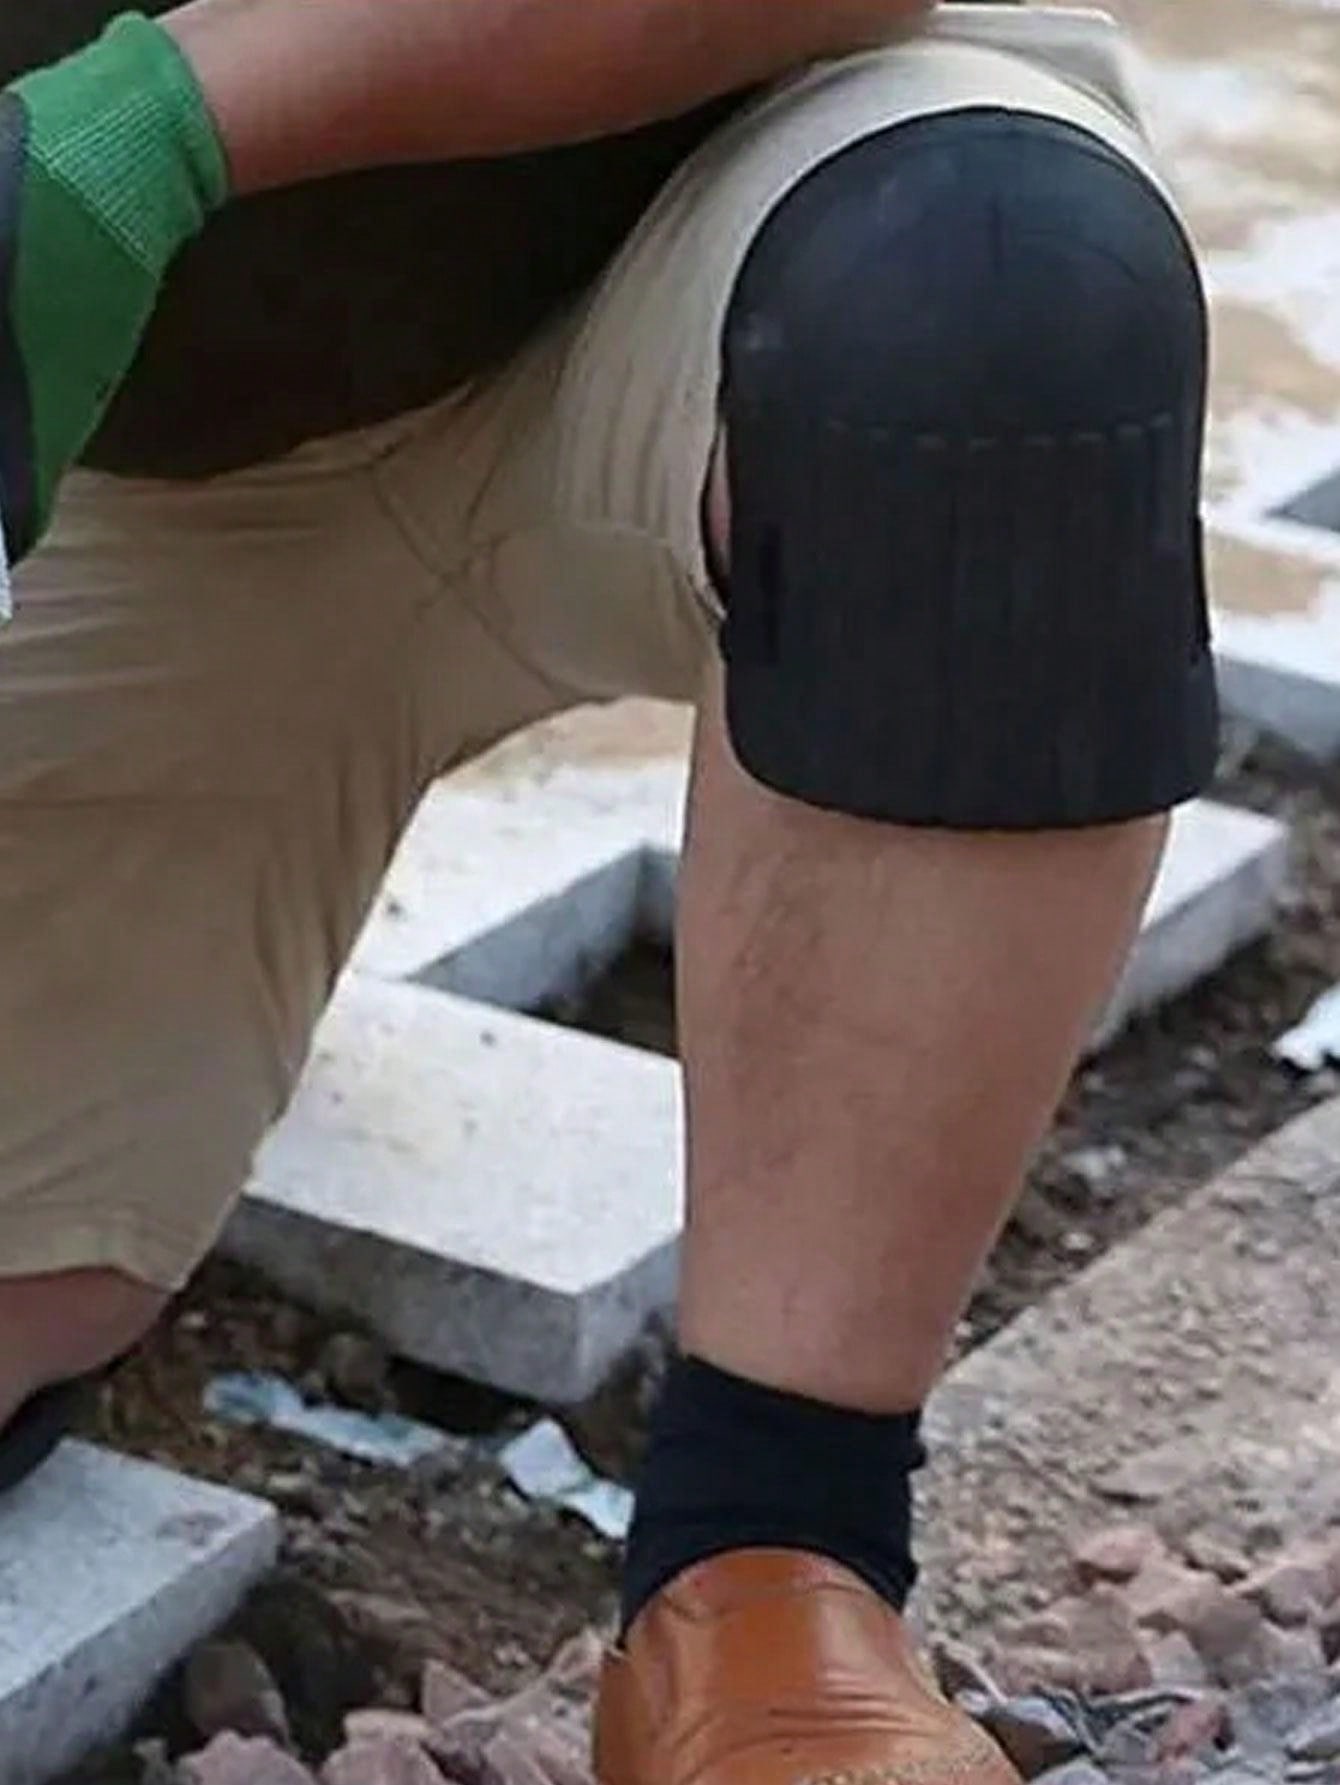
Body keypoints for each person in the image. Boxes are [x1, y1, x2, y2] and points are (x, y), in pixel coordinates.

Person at [0, 3, 1216, 1780]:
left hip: (700, 215)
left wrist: (155, 124)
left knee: (992, 289)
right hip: (124, 457)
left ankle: (765, 1581)